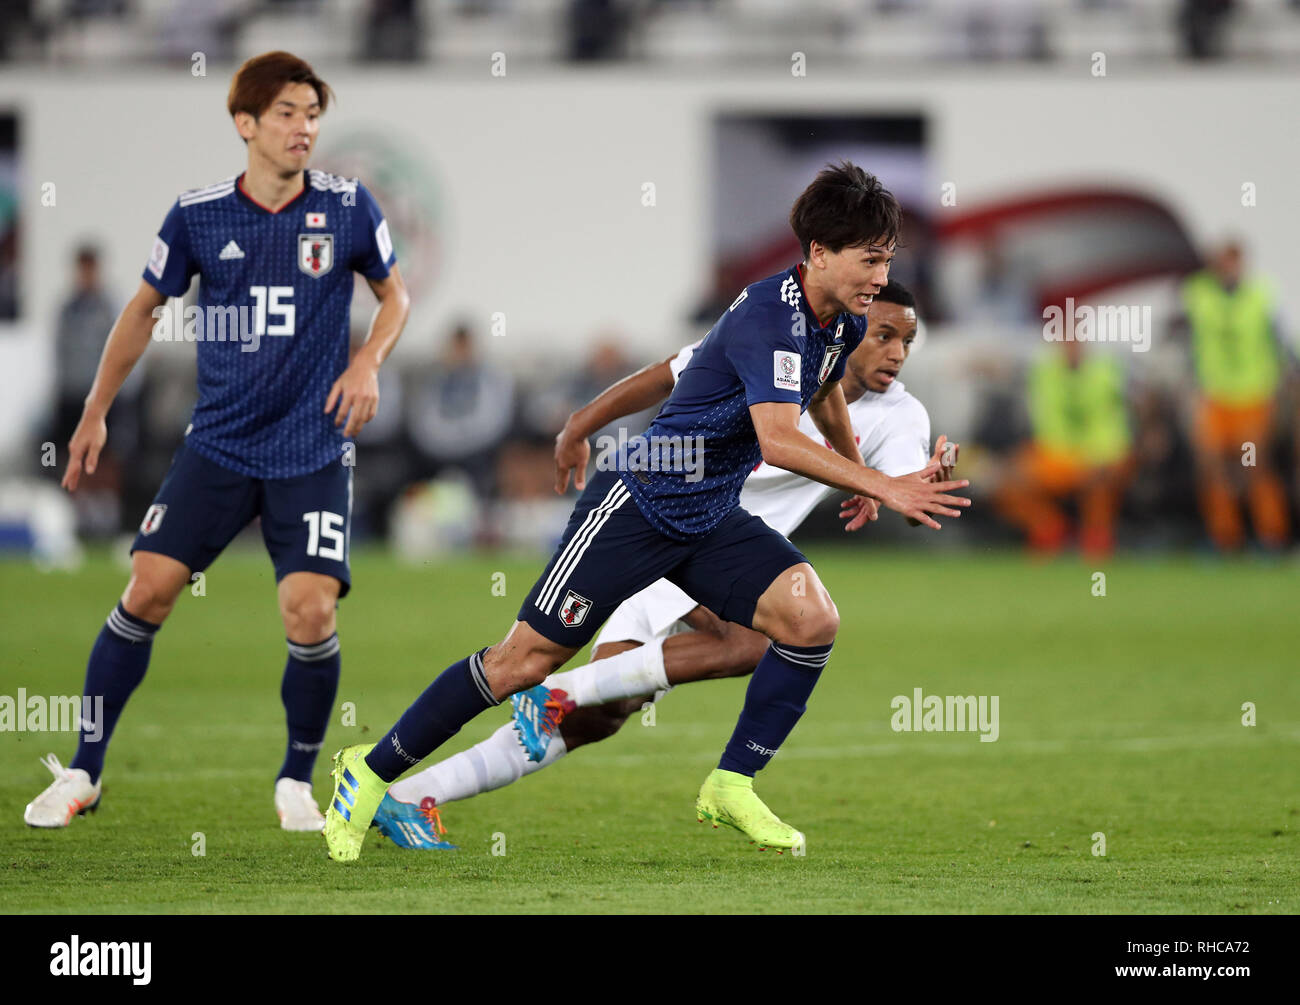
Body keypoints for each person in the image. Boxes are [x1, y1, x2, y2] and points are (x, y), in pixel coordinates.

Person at [323, 162, 969, 861]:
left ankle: (731, 782)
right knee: (522, 663)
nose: (880, 275)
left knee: (809, 620)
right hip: (640, 503)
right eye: (869, 258)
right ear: (818, 253)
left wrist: (865, 473)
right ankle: (371, 769)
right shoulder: (765, 316)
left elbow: (821, 395)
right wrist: (882, 486)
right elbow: (777, 439)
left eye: (887, 259)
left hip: (709, 515)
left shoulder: (837, 321)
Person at [22, 51, 411, 833]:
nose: (304, 129)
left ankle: (297, 778)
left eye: (312, 114)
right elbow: (139, 312)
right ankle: (85, 770)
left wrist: (368, 358)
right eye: (288, 114)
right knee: (148, 589)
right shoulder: (198, 214)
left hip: (312, 446)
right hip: (221, 445)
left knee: (310, 612)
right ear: (246, 124)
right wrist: (97, 408)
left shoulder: (347, 206)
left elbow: (394, 294)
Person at [1182, 240, 1290, 552]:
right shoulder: (1198, 293)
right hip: (1215, 394)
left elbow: (1278, 340)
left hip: (1253, 393)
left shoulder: (1261, 295)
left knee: (1253, 465)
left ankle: (1272, 537)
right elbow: (1189, 338)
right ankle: (1226, 539)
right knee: (1212, 466)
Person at [993, 336, 1131, 557]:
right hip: (1058, 456)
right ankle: (1049, 528)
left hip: (1099, 456)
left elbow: (1114, 427)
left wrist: (1099, 460)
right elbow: (1045, 426)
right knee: (1006, 480)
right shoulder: (1045, 372)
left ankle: (1096, 540)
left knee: (1104, 481)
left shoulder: (1106, 373)